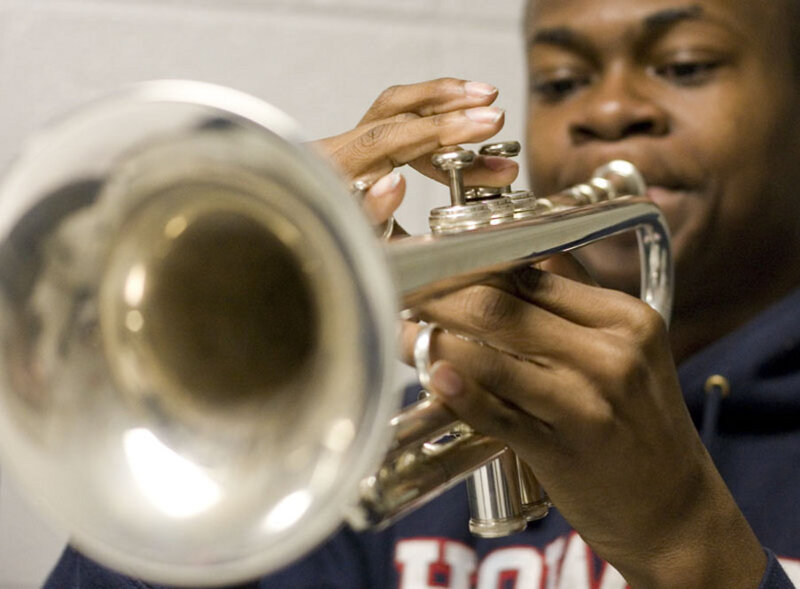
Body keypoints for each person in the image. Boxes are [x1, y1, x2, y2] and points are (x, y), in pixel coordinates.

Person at [45, 0, 800, 586]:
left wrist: (682, 539)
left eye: (686, 65)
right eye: (561, 82)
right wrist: (214, 402)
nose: (605, 111)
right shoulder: (383, 440)